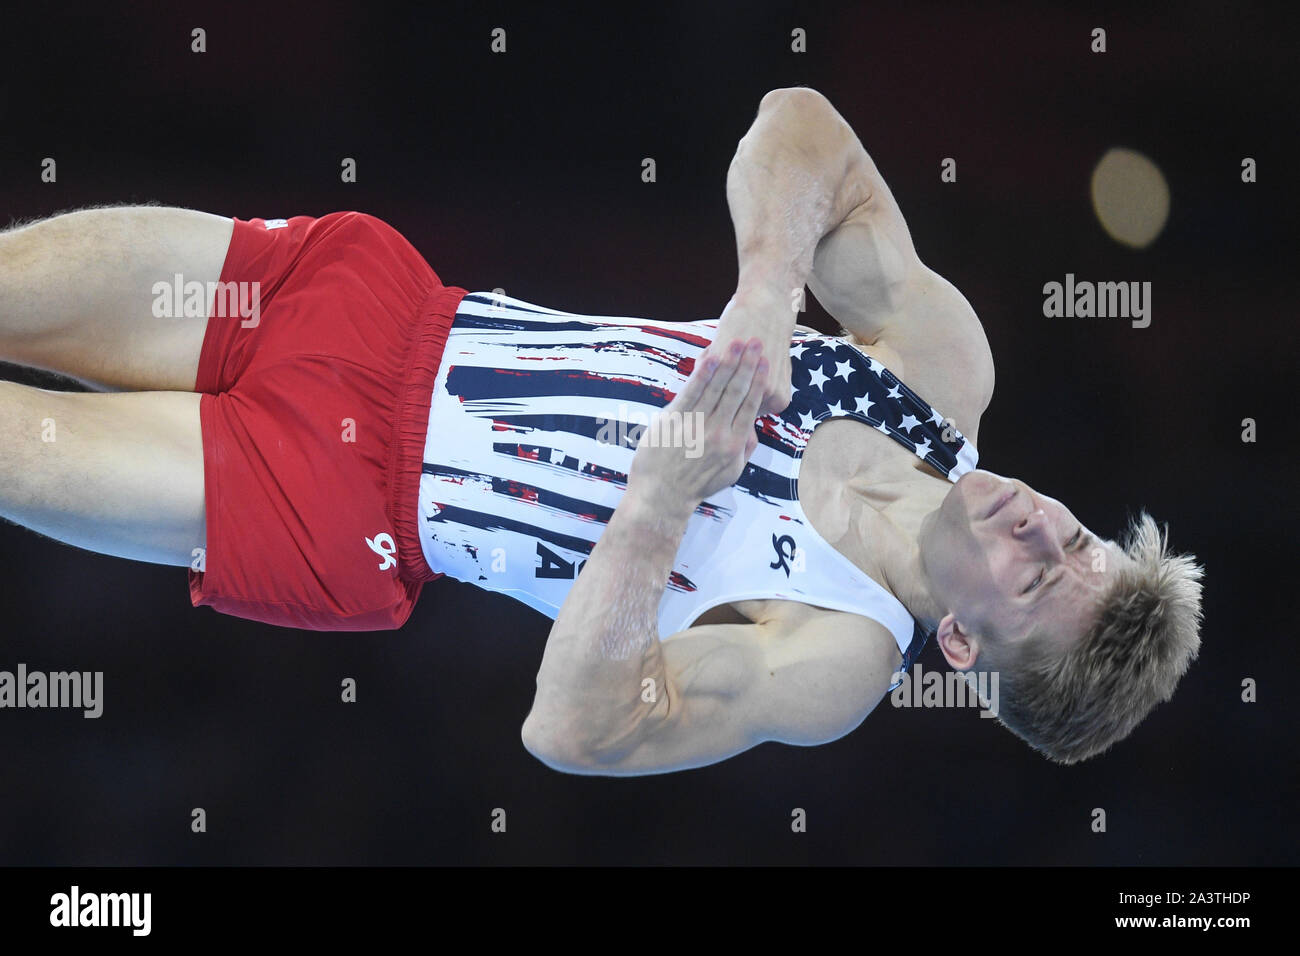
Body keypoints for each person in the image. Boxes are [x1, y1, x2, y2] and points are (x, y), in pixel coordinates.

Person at [0, 88, 1202, 776]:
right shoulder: (937, 377)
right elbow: (802, 127)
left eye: (1037, 573)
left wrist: (661, 499)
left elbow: (571, 730)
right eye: (1075, 531)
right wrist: (771, 291)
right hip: (375, 309)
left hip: (344, 505)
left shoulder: (833, 653)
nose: (1039, 522)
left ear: (954, 642)